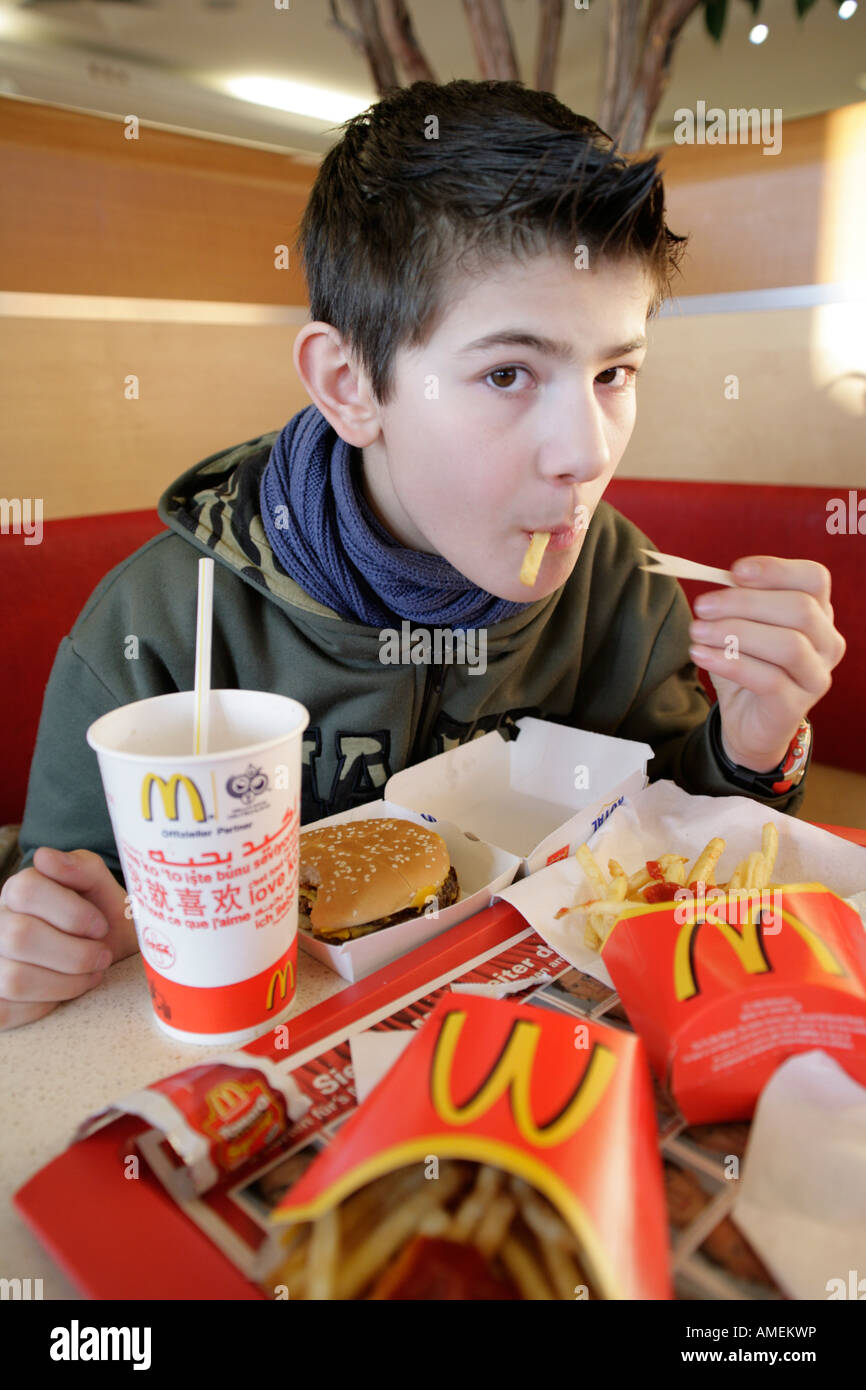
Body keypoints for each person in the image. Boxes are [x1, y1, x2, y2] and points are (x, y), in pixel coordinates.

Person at [0, 80, 845, 1031]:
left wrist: (754, 744)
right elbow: (54, 917)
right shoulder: (157, 625)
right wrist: (44, 944)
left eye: (613, 372)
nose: (589, 453)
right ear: (350, 383)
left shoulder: (623, 586)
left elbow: (682, 852)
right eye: (507, 373)